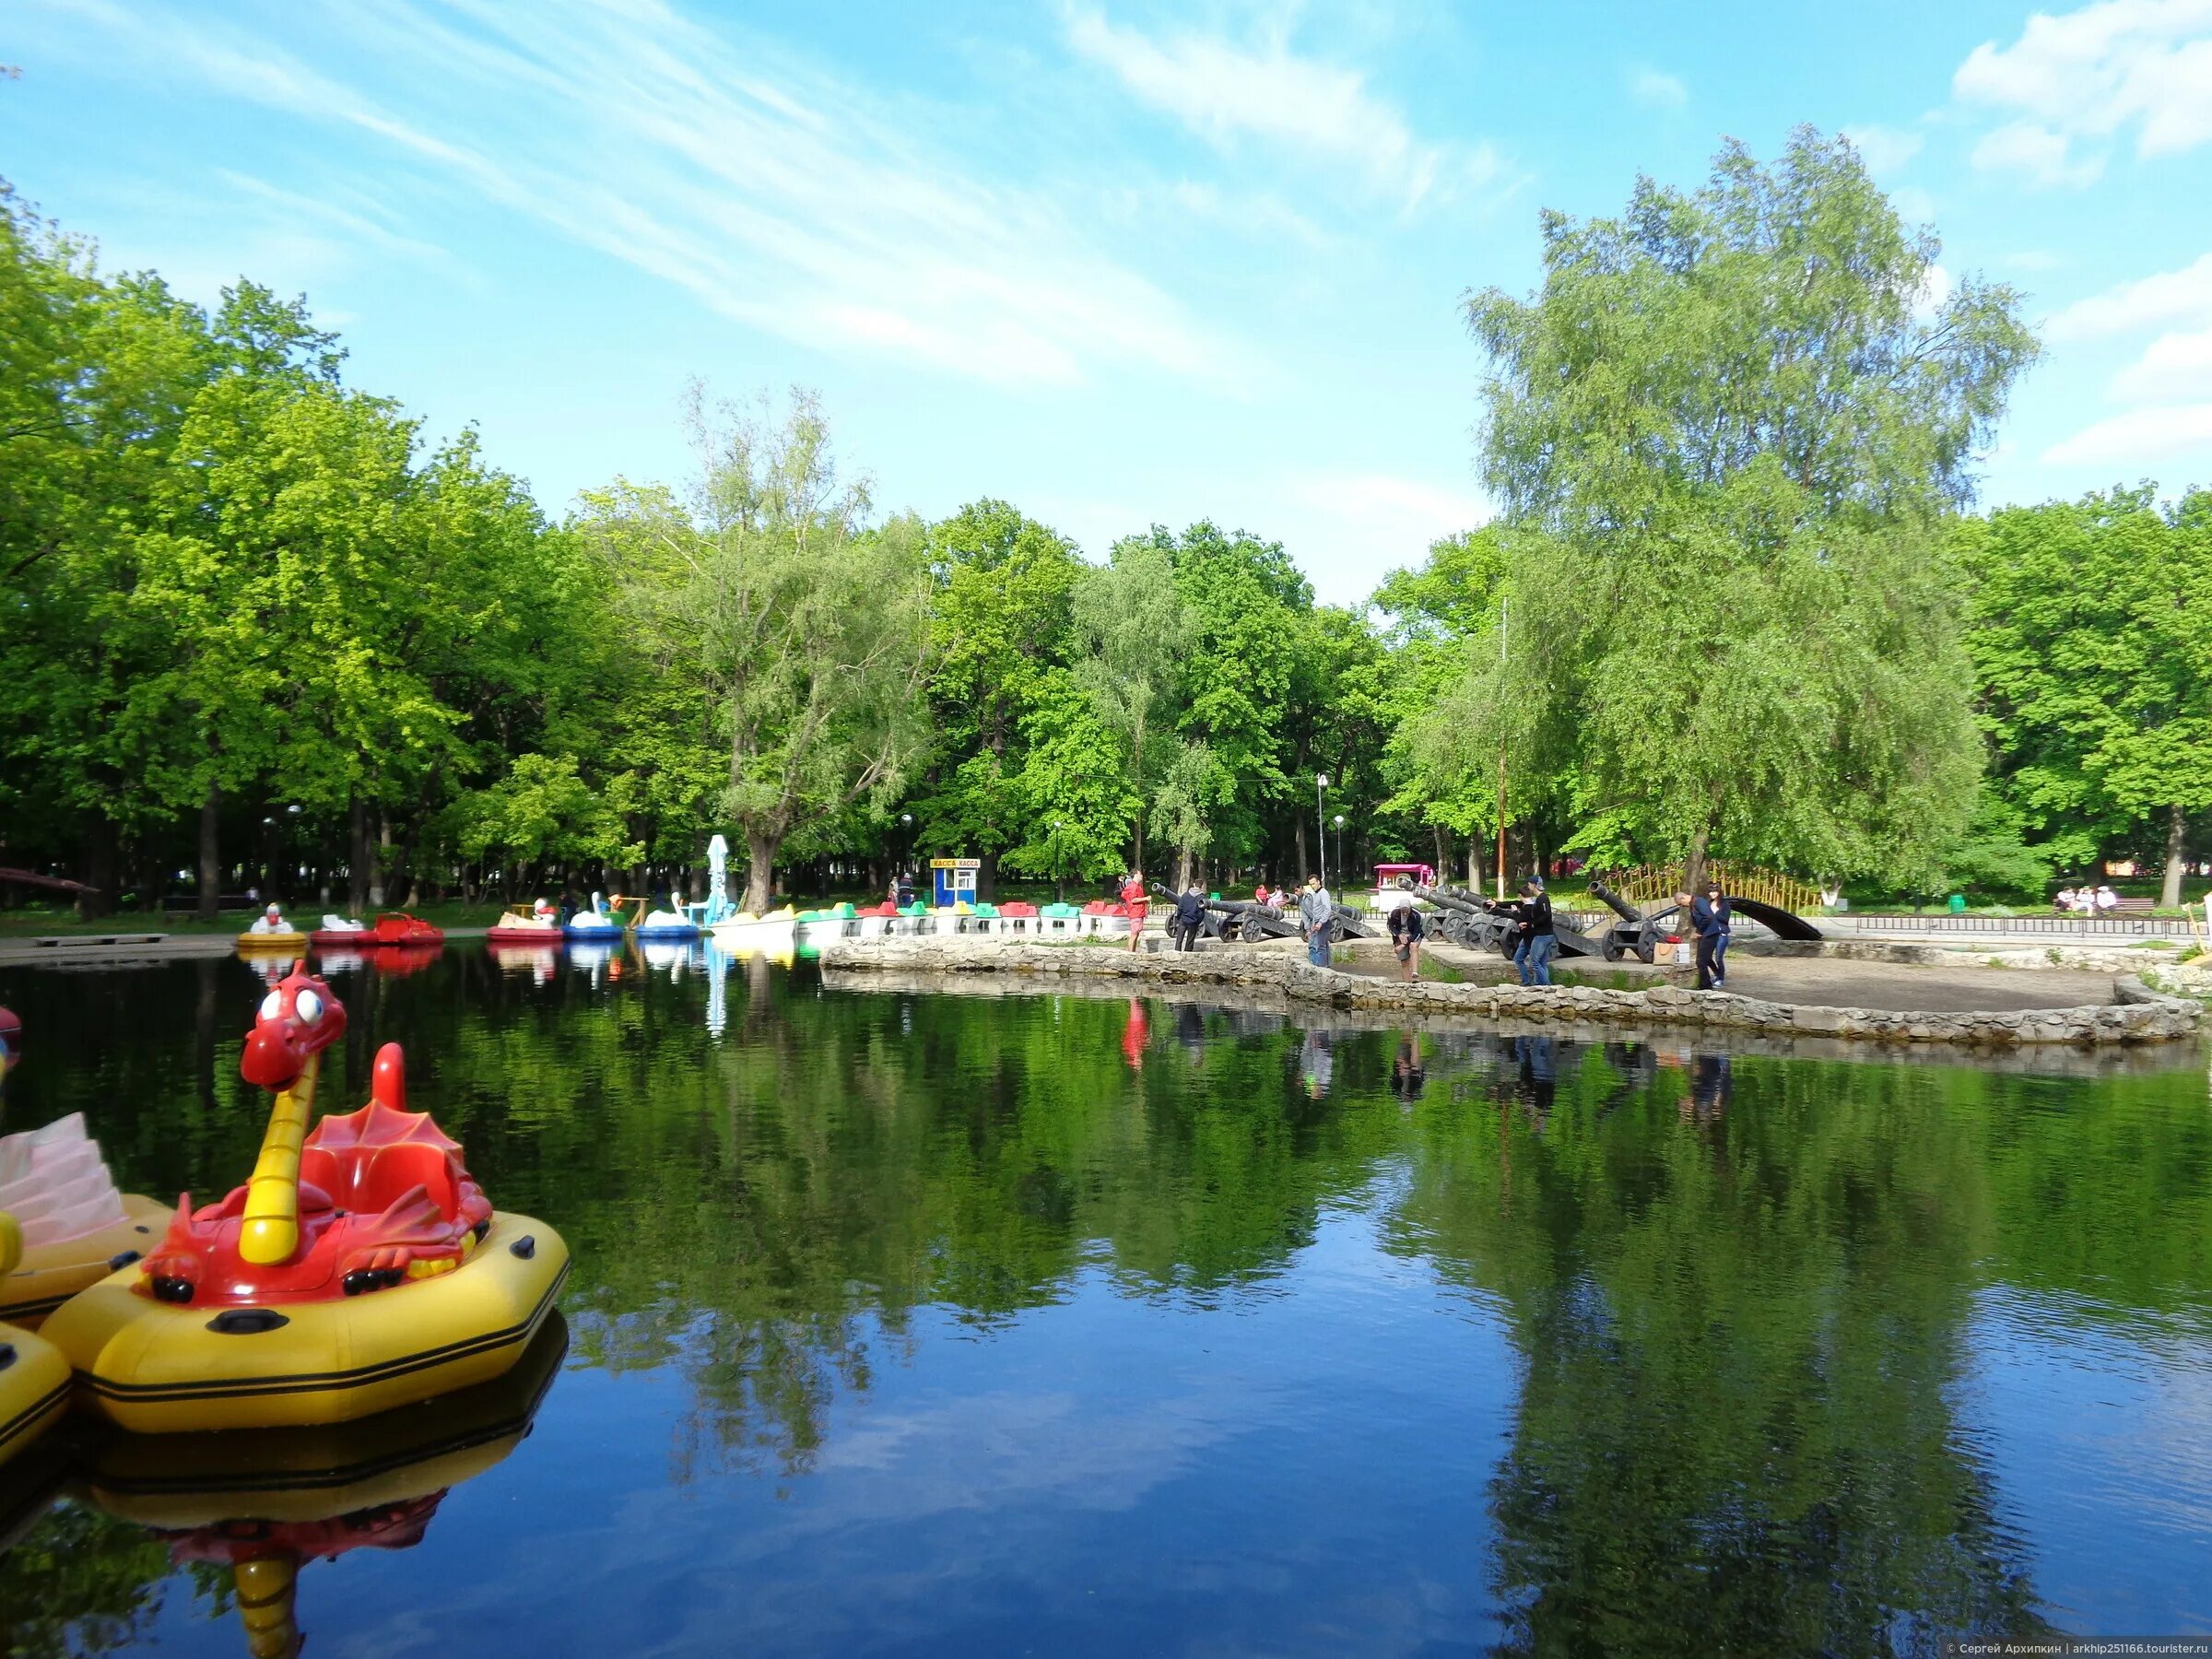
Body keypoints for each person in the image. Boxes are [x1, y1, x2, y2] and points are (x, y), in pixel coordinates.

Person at [1497, 878, 1555, 985]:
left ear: (1533, 885)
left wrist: (1530, 924)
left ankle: (1547, 985)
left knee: (1535, 963)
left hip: (1539, 936)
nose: (1528, 887)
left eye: (1529, 884)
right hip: (1535, 935)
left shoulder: (1542, 899)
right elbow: (1517, 905)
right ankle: (1535, 983)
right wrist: (1497, 904)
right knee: (1538, 962)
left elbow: (1546, 915)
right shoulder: (1536, 900)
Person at [1690, 881, 1732, 990]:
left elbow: (1725, 919)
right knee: (1707, 958)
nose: (1713, 894)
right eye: (1710, 892)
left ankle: (1720, 979)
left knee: (1718, 958)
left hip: (1721, 933)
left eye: (1715, 891)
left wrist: (1715, 914)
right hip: (1710, 934)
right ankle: (1717, 974)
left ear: (1719, 892)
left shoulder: (1724, 904)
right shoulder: (1706, 903)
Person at [1298, 875, 1335, 968]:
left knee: (1320, 946)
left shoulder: (1323, 893)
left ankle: (1321, 969)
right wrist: (1310, 929)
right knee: (1317, 945)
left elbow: (1327, 909)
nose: (1312, 886)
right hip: (1316, 922)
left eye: (1313, 883)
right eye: (1310, 884)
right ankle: (1320, 966)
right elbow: (1313, 912)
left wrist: (1320, 923)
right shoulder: (1314, 894)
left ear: (1318, 882)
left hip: (1323, 922)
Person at [1387, 901, 1425, 981]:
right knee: (1404, 961)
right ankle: (1406, 983)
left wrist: (1403, 944)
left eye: (1407, 911)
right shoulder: (1394, 914)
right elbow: (1390, 927)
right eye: (1402, 911)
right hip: (1400, 935)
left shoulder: (1416, 915)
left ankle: (1415, 973)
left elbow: (1417, 932)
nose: (1405, 914)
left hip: (1414, 934)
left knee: (1413, 946)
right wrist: (1399, 935)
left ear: (1410, 909)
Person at [1171, 883, 1206, 951]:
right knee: (1190, 939)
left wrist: (1179, 917)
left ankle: (1177, 951)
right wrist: (1198, 921)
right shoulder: (1202, 898)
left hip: (1183, 919)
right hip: (1193, 921)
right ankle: (1187, 952)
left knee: (1179, 938)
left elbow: (1180, 907)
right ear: (1201, 886)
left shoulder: (1185, 895)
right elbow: (1201, 912)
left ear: (1194, 884)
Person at [1121, 869, 1148, 952]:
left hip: (1138, 912)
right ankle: (1130, 954)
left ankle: (1133, 952)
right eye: (1140, 874)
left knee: (1136, 934)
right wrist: (1145, 898)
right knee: (1134, 934)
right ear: (1136, 875)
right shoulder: (1133, 886)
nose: (1142, 876)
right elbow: (1133, 900)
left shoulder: (1135, 886)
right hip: (1136, 912)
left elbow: (1124, 895)